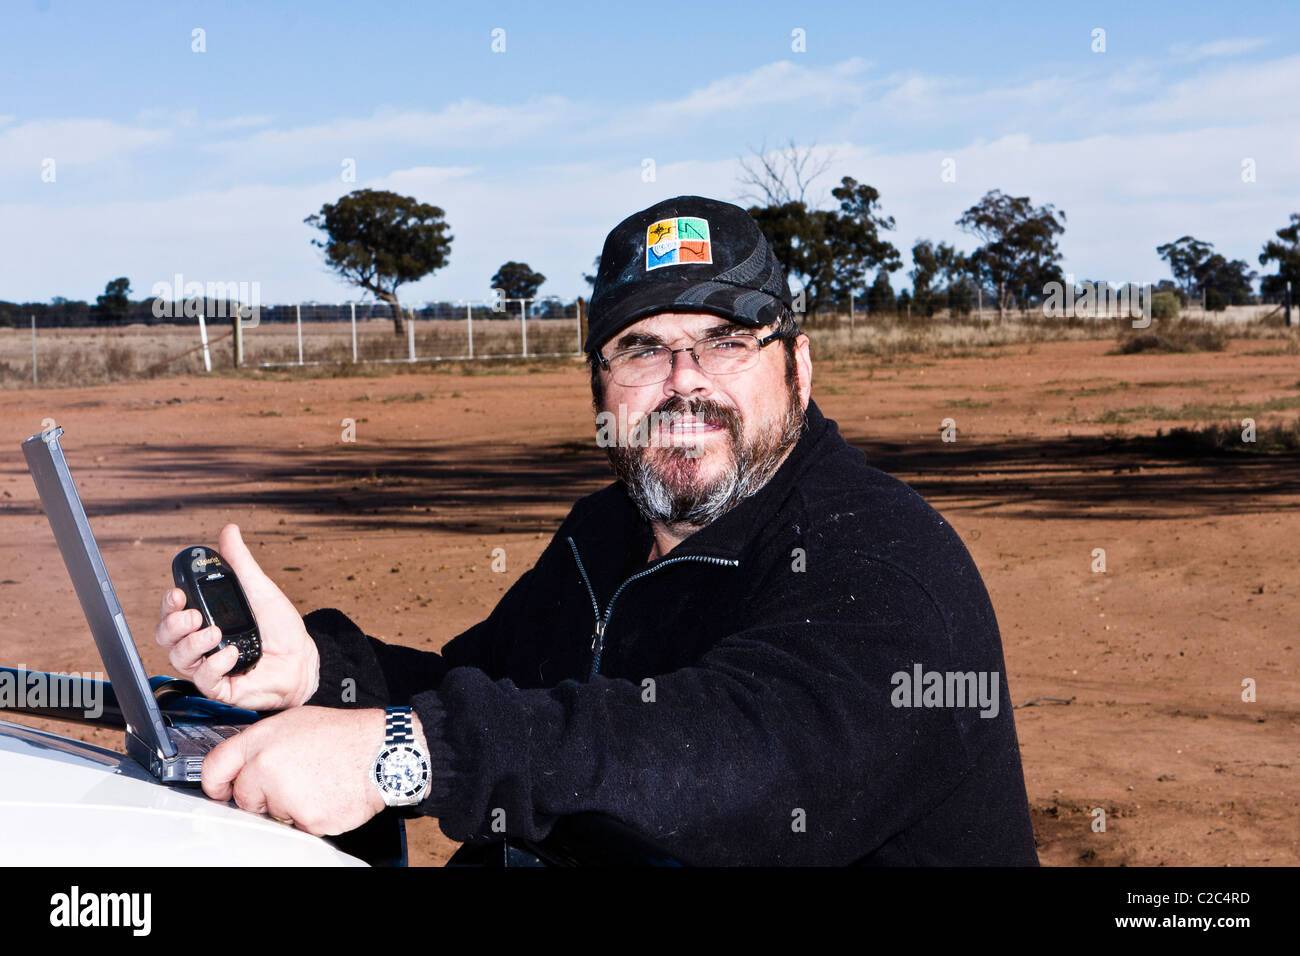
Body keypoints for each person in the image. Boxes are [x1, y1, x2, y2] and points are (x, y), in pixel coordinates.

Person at [155, 195, 1038, 865]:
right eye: (642, 349)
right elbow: (493, 691)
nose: (684, 381)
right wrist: (318, 672)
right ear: (599, 385)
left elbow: (736, 755)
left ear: (799, 367)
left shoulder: (884, 562)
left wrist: (399, 754)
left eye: (727, 341)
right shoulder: (608, 533)